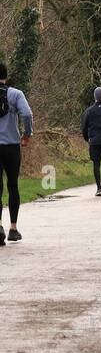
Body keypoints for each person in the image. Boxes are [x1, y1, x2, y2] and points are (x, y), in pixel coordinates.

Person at [0, 63, 34, 248]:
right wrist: (27, 134)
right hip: (12, 145)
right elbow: (27, 114)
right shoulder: (15, 93)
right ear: (6, 76)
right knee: (13, 185)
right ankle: (13, 228)